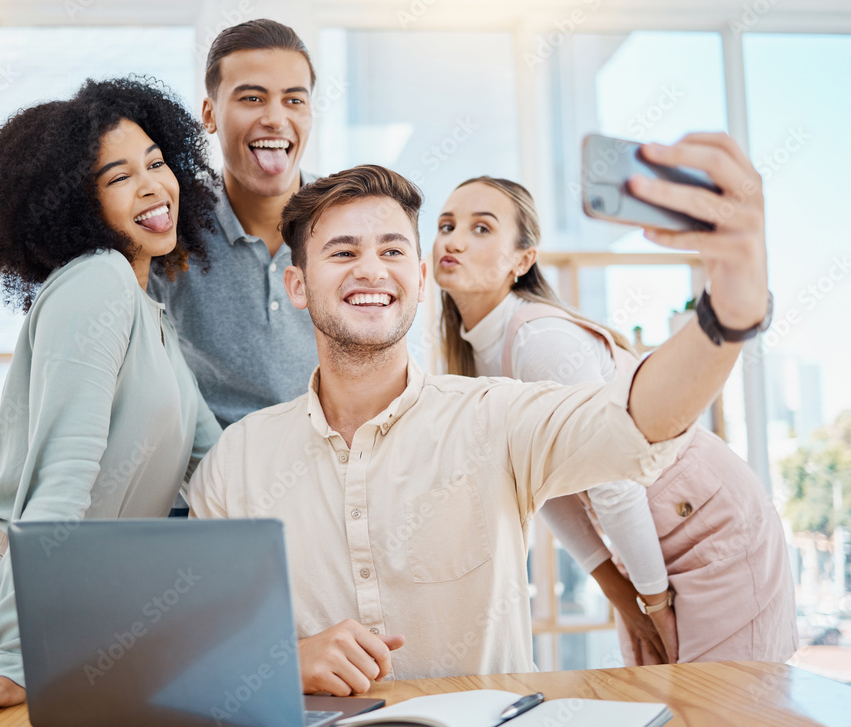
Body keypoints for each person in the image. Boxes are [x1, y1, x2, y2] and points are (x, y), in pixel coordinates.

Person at [188, 132, 775, 695]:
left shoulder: (495, 418)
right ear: (297, 284)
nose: (371, 269)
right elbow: (197, 647)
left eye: (392, 251)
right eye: (343, 252)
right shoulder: (235, 464)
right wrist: (284, 661)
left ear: (419, 280)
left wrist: (730, 306)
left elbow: (635, 420)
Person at [0, 77, 222, 725]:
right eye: (118, 177)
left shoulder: (148, 311)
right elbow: (62, 480)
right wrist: (18, 658)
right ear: (73, 203)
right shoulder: (96, 282)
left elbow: (214, 463)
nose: (151, 186)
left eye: (157, 164)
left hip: (65, 600)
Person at [432, 175, 797, 666]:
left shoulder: (538, 342)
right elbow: (548, 485)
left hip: (711, 524)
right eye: (446, 225)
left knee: (723, 709)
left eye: (481, 229)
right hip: (648, 541)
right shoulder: (476, 359)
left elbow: (612, 476)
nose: (453, 240)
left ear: (522, 260)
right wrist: (619, 588)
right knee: (675, 707)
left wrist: (652, 600)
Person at [148, 19, 320, 429]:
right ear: (209, 114)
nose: (276, 119)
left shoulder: (344, 222)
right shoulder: (169, 225)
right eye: (252, 98)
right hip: (207, 474)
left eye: (294, 101)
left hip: (326, 469)